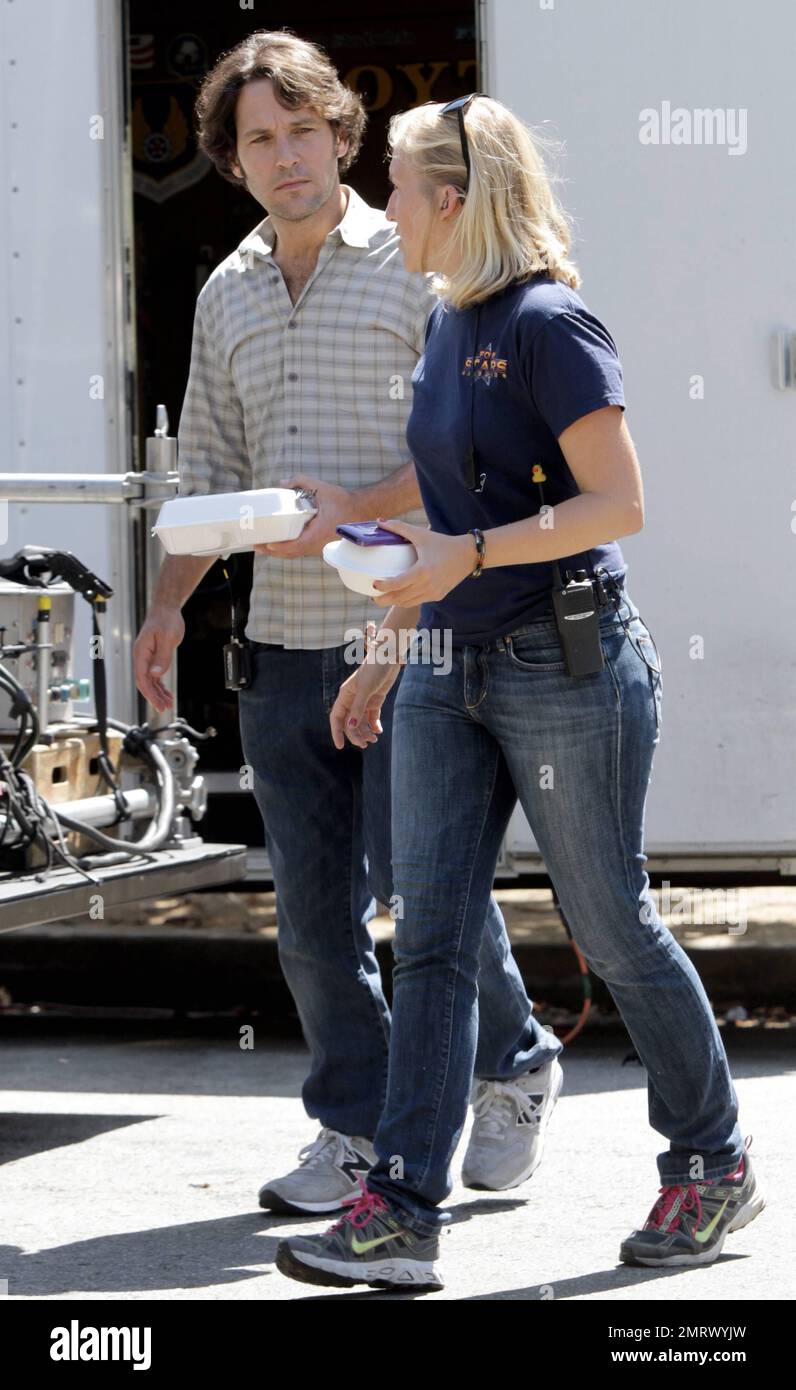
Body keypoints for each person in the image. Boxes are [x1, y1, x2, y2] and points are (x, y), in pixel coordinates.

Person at [276, 93, 765, 1291]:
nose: (382, 205)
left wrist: (472, 562)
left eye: (394, 185)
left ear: (452, 200)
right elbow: (448, 512)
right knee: (429, 934)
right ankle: (400, 1206)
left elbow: (618, 505)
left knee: (609, 928)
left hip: (568, 662)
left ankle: (712, 1160)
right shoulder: (447, 325)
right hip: (452, 664)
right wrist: (394, 634)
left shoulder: (549, 321)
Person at [133, 36, 561, 1217]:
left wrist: (352, 512)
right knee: (316, 917)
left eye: (302, 131)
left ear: (340, 134)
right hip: (279, 640)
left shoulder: (418, 271)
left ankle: (516, 1065)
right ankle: (351, 1127)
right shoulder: (225, 292)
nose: (286, 158)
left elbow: (474, 456)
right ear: (234, 160)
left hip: (416, 631)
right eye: (259, 140)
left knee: (431, 892)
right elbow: (211, 469)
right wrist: (166, 609)